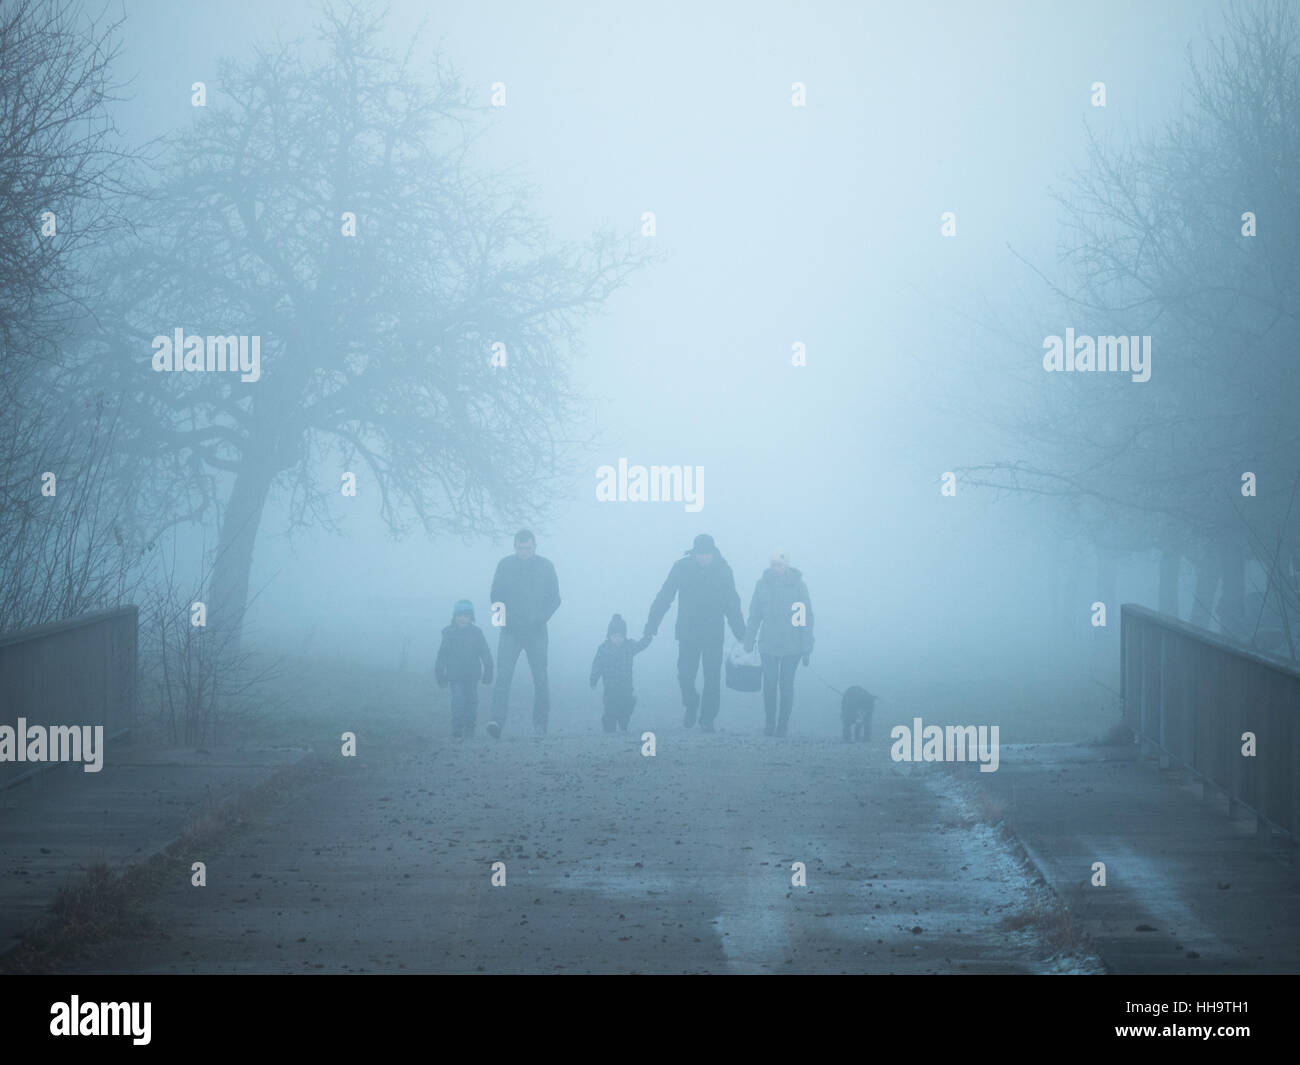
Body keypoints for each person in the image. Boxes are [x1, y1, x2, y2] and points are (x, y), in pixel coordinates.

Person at [644, 533, 745, 732]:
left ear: (713, 553)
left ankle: (707, 718)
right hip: (687, 633)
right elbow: (665, 595)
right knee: (685, 675)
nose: (703, 558)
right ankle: (690, 703)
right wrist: (651, 624)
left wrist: (741, 633)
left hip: (713, 634)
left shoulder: (724, 571)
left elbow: (732, 603)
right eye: (699, 554)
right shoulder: (681, 567)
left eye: (706, 554)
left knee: (712, 678)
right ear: (693, 553)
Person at [486, 529, 561, 738]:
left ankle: (540, 723)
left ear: (534, 546)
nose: (524, 552)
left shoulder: (546, 566)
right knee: (503, 676)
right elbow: (495, 596)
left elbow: (555, 599)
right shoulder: (504, 565)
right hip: (510, 631)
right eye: (520, 548)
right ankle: (496, 722)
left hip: (536, 631)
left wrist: (540, 619)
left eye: (527, 548)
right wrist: (505, 620)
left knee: (540, 678)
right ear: (515, 547)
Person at [744, 550, 814, 737]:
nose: (776, 568)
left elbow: (806, 617)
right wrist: (749, 640)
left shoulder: (799, 586)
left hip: (793, 646)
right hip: (768, 644)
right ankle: (769, 723)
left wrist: (807, 646)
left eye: (780, 564)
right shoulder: (761, 586)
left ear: (787, 566)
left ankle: (782, 725)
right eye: (773, 564)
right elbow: (755, 614)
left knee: (786, 685)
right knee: (769, 683)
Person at [434, 599, 494, 738]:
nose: (462, 619)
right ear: (454, 616)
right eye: (459, 615)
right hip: (455, 675)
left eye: (466, 616)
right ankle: (457, 727)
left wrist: (488, 670)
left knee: (472, 701)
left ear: (471, 617)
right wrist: (440, 674)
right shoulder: (449, 634)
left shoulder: (476, 633)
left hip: (472, 675)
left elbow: (485, 652)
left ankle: (470, 726)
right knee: (457, 700)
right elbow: (442, 655)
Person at [589, 614, 652, 732]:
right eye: (615, 636)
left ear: (624, 636)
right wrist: (593, 679)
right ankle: (609, 728)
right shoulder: (603, 649)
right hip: (610, 686)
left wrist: (648, 636)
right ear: (609, 636)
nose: (618, 639)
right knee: (609, 708)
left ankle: (624, 720)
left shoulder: (629, 647)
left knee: (626, 707)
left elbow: (641, 645)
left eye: (621, 636)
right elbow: (597, 664)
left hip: (626, 686)